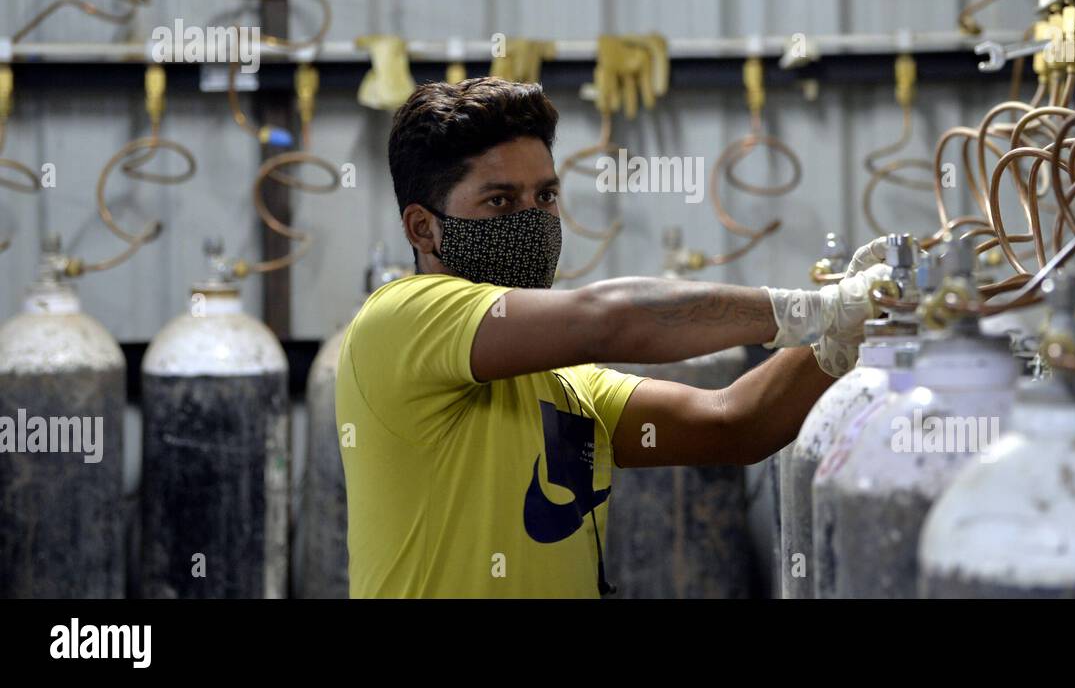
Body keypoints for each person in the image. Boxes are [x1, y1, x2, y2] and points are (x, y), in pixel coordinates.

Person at [338, 77, 881, 598]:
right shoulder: (401, 318)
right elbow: (606, 320)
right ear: (422, 228)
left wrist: (836, 342)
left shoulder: (560, 381)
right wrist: (815, 307)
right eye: (500, 201)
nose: (533, 220)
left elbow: (733, 424)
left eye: (545, 197)